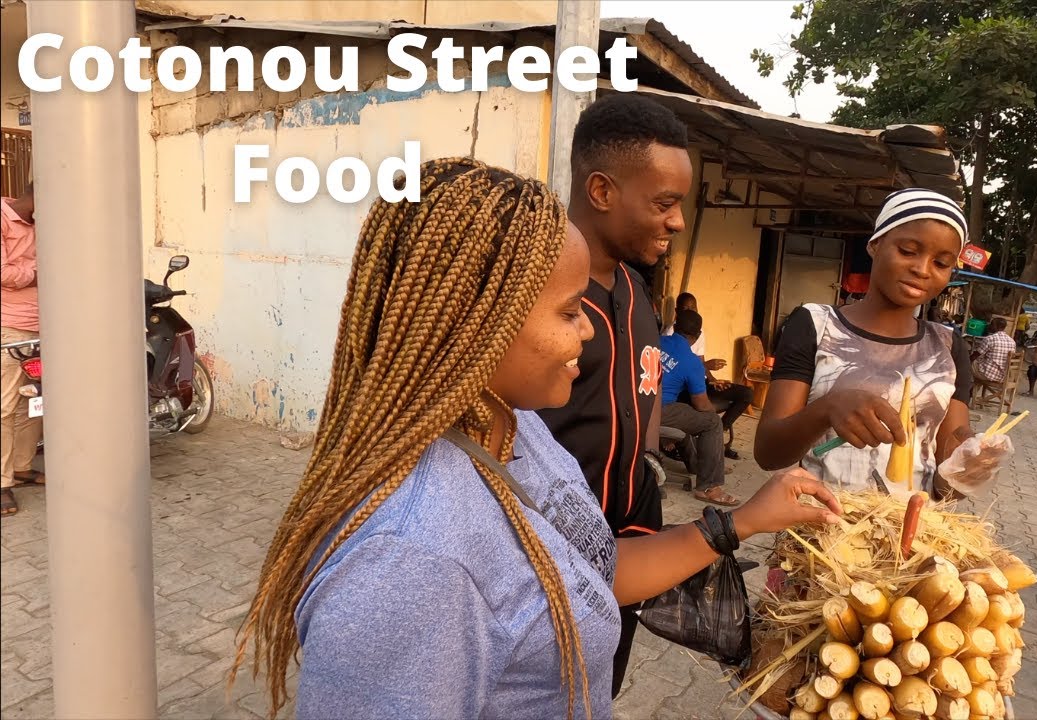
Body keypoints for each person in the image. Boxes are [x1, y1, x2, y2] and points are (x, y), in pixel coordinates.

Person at [228, 158, 843, 720]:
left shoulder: (518, 432)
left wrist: (741, 523)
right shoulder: (411, 562)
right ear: (475, 321)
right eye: (571, 311)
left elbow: (589, 574)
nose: (587, 334)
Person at [534, 92, 692, 696]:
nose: (677, 221)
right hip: (545, 559)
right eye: (664, 203)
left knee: (600, 690)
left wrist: (647, 462)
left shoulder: (637, 289)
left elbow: (641, 391)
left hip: (629, 548)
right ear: (601, 191)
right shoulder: (530, 294)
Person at [755, 188, 1012, 500]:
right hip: (820, 531)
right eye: (907, 251)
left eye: (941, 263)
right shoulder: (815, 325)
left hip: (909, 537)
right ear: (875, 244)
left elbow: (945, 490)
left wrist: (970, 468)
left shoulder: (947, 346)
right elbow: (768, 454)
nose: (922, 269)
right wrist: (826, 409)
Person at [659, 309, 737, 506]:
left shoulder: (657, 341)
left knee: (685, 413)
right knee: (711, 423)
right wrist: (713, 412)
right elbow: (702, 404)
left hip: (634, 405)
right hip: (657, 410)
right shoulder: (692, 361)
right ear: (698, 335)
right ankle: (709, 487)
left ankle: (699, 465)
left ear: (675, 327)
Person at [662, 291, 753, 458]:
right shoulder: (669, 334)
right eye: (685, 308)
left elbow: (698, 363)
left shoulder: (699, 332)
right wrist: (704, 366)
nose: (690, 311)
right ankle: (708, 438)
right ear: (677, 311)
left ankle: (716, 436)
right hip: (683, 391)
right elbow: (685, 367)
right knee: (705, 412)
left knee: (746, 393)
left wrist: (713, 380)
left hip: (698, 381)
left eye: (693, 308)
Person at [1, 183, 42, 517]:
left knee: (34, 402)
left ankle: (23, 467)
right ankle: (2, 484)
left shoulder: (37, 226)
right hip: (9, 325)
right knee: (4, 404)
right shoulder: (2, 219)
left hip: (42, 326)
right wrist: (40, 274)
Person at [970, 317, 1018, 386]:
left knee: (968, 363)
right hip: (1003, 377)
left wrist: (967, 359)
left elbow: (975, 355)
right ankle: (973, 389)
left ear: (997, 327)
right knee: (982, 364)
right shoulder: (1012, 341)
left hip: (988, 374)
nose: (989, 326)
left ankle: (964, 388)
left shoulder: (990, 339)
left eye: (992, 324)